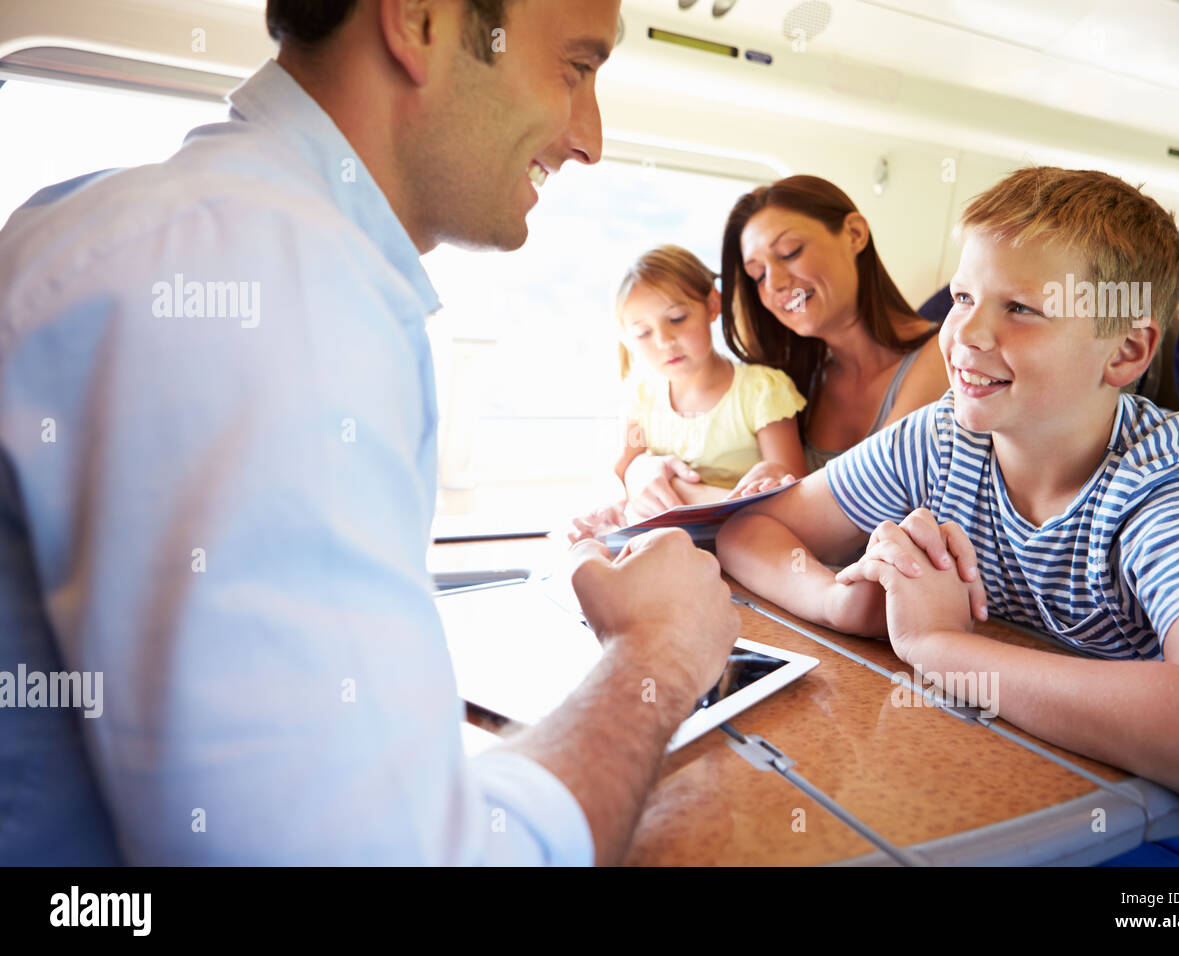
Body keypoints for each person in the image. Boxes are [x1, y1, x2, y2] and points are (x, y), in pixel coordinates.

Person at [0, 0, 741, 866]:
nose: (590, 138)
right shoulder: (267, 290)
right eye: (575, 68)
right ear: (420, 20)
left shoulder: (159, 226)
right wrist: (653, 655)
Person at [715, 166, 1179, 866]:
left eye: (1020, 309)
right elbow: (750, 531)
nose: (965, 335)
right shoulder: (942, 437)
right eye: (964, 297)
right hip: (1028, 773)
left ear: (1127, 351)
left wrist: (942, 648)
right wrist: (836, 600)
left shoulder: (1178, 487)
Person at [721, 175, 950, 473]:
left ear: (854, 234)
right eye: (758, 275)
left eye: (790, 252)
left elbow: (868, 496)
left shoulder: (943, 354)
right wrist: (643, 466)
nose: (774, 283)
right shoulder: (796, 380)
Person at [614, 245, 807, 520]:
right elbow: (623, 472)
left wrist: (772, 479)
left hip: (752, 533)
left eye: (677, 318)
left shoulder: (762, 390)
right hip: (670, 537)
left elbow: (796, 489)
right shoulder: (641, 397)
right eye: (643, 332)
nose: (664, 340)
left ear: (712, 305)